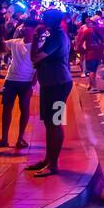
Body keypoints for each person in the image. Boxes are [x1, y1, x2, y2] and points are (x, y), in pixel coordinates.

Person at [27, 9, 72, 177]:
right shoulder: (55, 35)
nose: (42, 20)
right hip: (51, 83)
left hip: (58, 84)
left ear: (52, 20)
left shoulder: (56, 36)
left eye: (45, 18)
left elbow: (35, 58)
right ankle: (48, 159)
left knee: (55, 122)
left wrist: (36, 37)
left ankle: (53, 164)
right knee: (49, 123)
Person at [0, 19, 38, 149]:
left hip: (26, 81)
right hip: (11, 79)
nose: (24, 29)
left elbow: (39, 64)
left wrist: (34, 80)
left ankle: (20, 138)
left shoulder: (38, 45)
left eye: (28, 27)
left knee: (24, 109)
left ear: (34, 30)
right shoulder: (15, 42)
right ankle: (4, 139)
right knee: (6, 109)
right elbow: (2, 47)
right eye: (25, 26)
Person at [75, 16, 104, 92]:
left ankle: (92, 86)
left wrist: (80, 50)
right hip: (98, 53)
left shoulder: (87, 31)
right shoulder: (102, 31)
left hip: (89, 53)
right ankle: (92, 86)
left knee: (91, 70)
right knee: (93, 70)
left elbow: (80, 42)